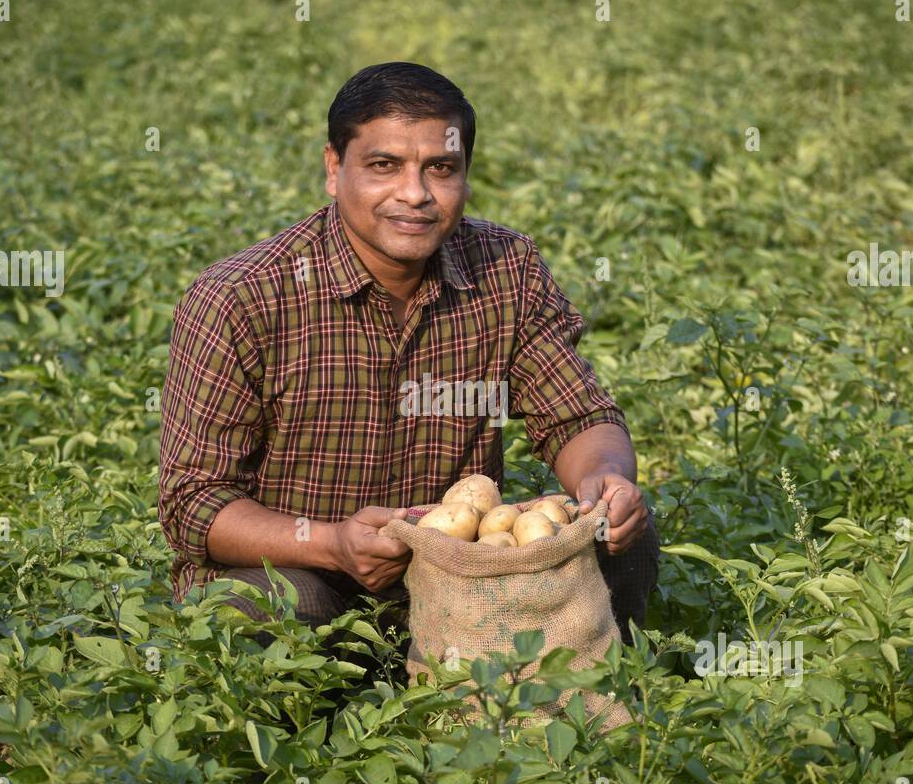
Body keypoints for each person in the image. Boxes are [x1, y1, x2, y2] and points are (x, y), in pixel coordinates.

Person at [158, 61, 658, 645]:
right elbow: (193, 501)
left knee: (620, 539)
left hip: (453, 573)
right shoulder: (242, 297)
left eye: (440, 168)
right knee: (282, 606)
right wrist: (330, 543)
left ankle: (585, 705)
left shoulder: (506, 268)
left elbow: (579, 416)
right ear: (332, 168)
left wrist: (606, 479)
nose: (415, 194)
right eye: (383, 166)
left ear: (466, 175)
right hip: (299, 566)